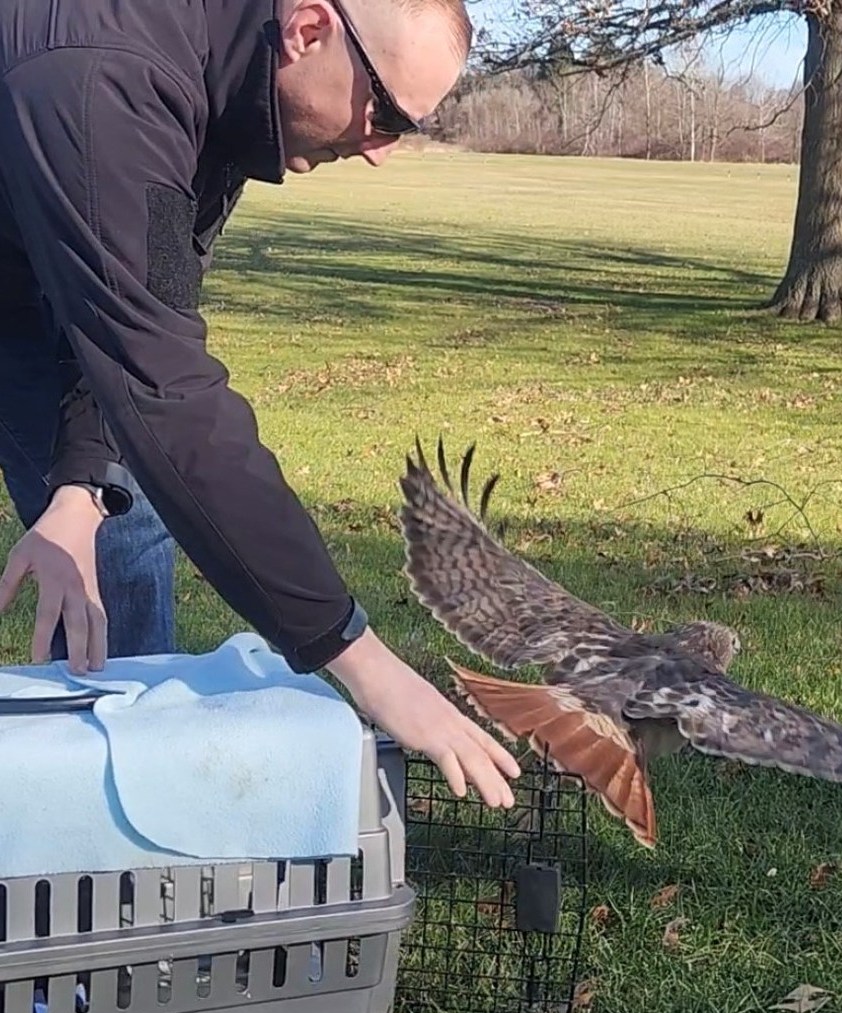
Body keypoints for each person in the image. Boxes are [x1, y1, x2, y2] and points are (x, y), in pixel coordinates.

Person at [0, 0, 520, 809]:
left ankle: (109, 837)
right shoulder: (110, 73)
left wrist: (77, 481)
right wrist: (363, 663)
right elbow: (167, 389)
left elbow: (137, 303)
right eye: (383, 112)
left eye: (403, 129)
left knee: (117, 515)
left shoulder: (233, 86)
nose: (381, 150)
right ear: (309, 29)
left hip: (26, 268)